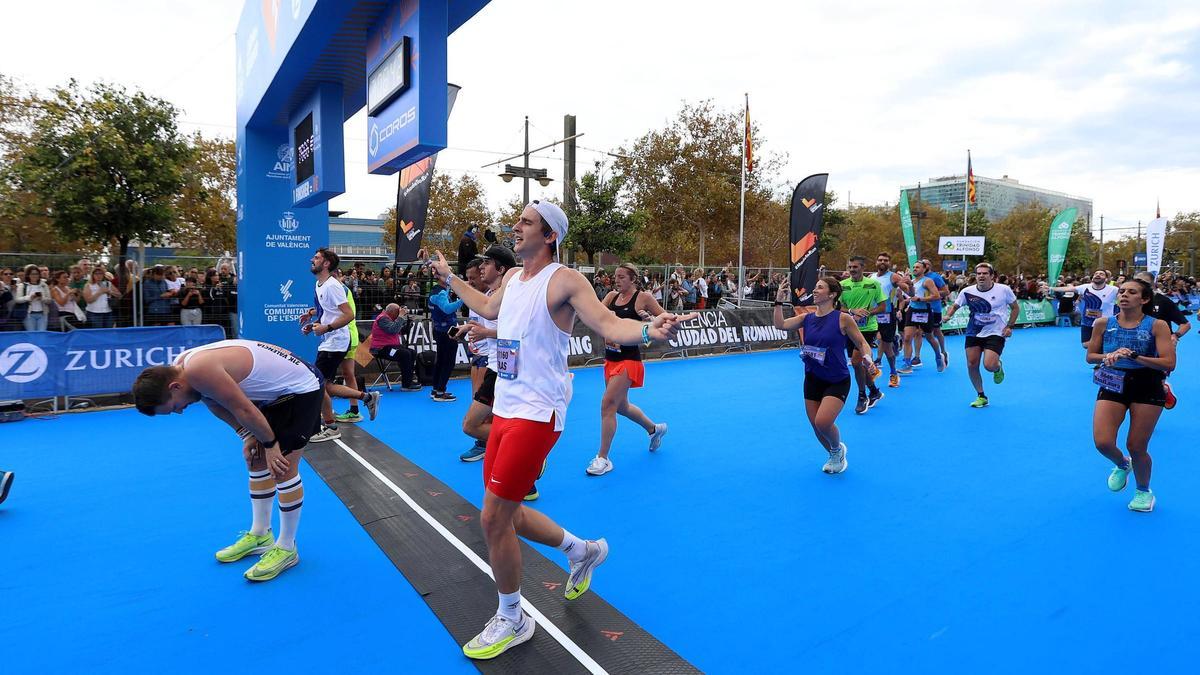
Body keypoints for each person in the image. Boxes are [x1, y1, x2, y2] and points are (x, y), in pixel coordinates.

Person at [429, 199, 693, 660]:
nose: (516, 226)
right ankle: (581, 550)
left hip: (538, 412)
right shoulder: (512, 278)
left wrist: (649, 330)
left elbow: (608, 323)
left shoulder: (565, 279)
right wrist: (449, 277)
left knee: (492, 519)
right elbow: (488, 306)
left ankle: (513, 617)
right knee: (509, 515)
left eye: (526, 221)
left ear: (550, 234)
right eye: (517, 219)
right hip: (506, 406)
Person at [132, 339, 326, 581]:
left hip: (300, 390)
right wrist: (247, 435)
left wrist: (271, 445)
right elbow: (215, 404)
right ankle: (260, 534)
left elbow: (244, 410)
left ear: (174, 386)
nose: (180, 411)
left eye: (173, 407)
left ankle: (287, 548)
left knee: (282, 468)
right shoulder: (184, 369)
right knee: (256, 460)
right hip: (276, 393)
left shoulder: (197, 370)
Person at [1087, 279, 1176, 512]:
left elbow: (1169, 362)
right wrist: (1109, 356)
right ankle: (1122, 463)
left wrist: (1135, 356)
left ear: (1144, 299)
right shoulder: (1103, 323)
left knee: (1136, 445)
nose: (1124, 295)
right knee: (1103, 442)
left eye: (1132, 292)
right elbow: (1090, 356)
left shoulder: (1157, 325)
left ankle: (1143, 491)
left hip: (1147, 383)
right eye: (1122, 291)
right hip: (1113, 382)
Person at [773, 276, 876, 474]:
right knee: (816, 426)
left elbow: (862, 343)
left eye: (820, 288)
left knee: (823, 422)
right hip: (812, 378)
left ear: (832, 294)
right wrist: (778, 301)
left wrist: (867, 358)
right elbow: (780, 325)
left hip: (837, 380)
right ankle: (834, 454)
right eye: (815, 287)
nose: (814, 290)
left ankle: (837, 448)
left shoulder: (843, 319)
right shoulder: (807, 318)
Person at [586, 262, 670, 477]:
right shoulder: (610, 297)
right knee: (621, 407)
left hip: (629, 360)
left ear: (633, 279)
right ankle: (654, 429)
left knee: (607, 404)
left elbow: (667, 321)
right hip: (610, 359)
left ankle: (603, 458)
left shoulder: (643, 298)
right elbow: (594, 315)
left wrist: (650, 321)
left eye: (622, 277)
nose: (617, 280)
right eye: (616, 276)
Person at [298, 248, 380, 442]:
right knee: (324, 384)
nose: (312, 260)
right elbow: (328, 312)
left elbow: (349, 314)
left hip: (337, 341)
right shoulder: (320, 284)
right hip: (330, 340)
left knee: (318, 384)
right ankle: (366, 398)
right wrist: (314, 323)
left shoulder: (333, 286)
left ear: (326, 264)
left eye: (316, 258)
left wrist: (326, 328)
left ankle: (331, 426)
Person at [942, 263, 1018, 408]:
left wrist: (1010, 326)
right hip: (974, 331)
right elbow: (955, 305)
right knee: (972, 364)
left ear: (992, 276)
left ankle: (997, 367)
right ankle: (981, 395)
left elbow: (1015, 308)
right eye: (979, 274)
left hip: (996, 331)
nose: (981, 276)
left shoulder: (1003, 290)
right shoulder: (967, 291)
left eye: (985, 273)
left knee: (989, 365)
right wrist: (948, 316)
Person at [460, 251, 508, 463]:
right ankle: (512, 445)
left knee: (473, 422)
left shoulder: (507, 297)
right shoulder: (487, 296)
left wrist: (485, 333)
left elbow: (516, 332)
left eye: (486, 263)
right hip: (490, 362)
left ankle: (508, 445)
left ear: (501, 270)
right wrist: (468, 328)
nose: (481, 268)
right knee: (472, 421)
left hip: (501, 366)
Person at [1133, 272, 1189, 409]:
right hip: (1135, 343)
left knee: (1155, 381)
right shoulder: (1130, 301)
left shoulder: (1163, 301)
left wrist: (1175, 336)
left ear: (1152, 284)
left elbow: (1185, 324)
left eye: (1142, 282)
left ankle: (1163, 389)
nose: (1138, 285)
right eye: (1136, 281)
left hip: (1160, 347)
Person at [840, 256, 887, 414]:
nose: (852, 270)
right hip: (849, 328)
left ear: (862, 268)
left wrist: (866, 313)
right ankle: (874, 391)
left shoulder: (873, 284)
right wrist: (852, 311)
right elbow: (838, 307)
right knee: (858, 364)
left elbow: (882, 307)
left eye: (855, 267)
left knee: (855, 361)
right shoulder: (843, 285)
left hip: (868, 328)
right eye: (850, 267)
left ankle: (862, 396)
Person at [331, 268, 367, 423]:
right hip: (347, 336)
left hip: (344, 337)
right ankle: (354, 410)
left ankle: (326, 412)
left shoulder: (339, 289)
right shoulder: (339, 288)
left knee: (326, 377)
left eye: (336, 275)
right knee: (348, 374)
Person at [870, 252, 911, 388]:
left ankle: (893, 373)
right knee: (867, 343)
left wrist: (908, 284)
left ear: (889, 263)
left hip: (887, 315)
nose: (883, 262)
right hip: (872, 314)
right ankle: (874, 368)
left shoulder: (893, 276)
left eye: (886, 260)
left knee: (887, 346)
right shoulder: (871, 277)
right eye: (880, 260)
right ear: (876, 262)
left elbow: (908, 291)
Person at [1051, 270, 1117, 351]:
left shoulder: (1114, 290)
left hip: (1104, 322)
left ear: (1106, 279)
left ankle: (1102, 354)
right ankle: (1102, 345)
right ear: (1092, 277)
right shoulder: (1085, 287)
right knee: (1085, 345)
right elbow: (1069, 288)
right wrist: (1052, 288)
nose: (1098, 275)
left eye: (1101, 274)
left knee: (1101, 347)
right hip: (1087, 320)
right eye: (1096, 274)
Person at [899, 261, 941, 373]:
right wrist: (907, 286)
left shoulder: (927, 281)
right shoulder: (913, 281)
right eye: (914, 267)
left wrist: (920, 299)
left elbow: (936, 296)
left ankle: (938, 356)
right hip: (912, 310)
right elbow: (911, 295)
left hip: (925, 311)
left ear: (924, 269)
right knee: (907, 337)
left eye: (917, 267)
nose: (915, 269)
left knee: (929, 337)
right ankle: (907, 364)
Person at [428, 271, 464, 402]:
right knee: (448, 362)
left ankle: (436, 389)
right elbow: (447, 308)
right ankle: (440, 391)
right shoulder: (441, 293)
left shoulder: (435, 291)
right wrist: (464, 299)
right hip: (447, 330)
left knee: (441, 360)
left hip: (439, 329)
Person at [369, 303, 422, 391]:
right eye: (398, 312)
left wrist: (409, 322)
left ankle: (409, 380)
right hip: (381, 349)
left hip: (391, 347)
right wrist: (400, 317)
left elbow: (401, 331)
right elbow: (393, 330)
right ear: (392, 312)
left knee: (412, 352)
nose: (399, 313)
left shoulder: (391, 319)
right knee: (405, 354)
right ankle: (406, 385)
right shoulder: (382, 318)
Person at [13, 265, 51, 332]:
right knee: (31, 333)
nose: (35, 276)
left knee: (41, 333)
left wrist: (42, 298)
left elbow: (49, 300)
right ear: (28, 275)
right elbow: (17, 299)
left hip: (43, 314)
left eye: (36, 274)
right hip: (28, 314)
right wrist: (29, 297)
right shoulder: (22, 286)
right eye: (32, 274)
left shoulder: (44, 285)